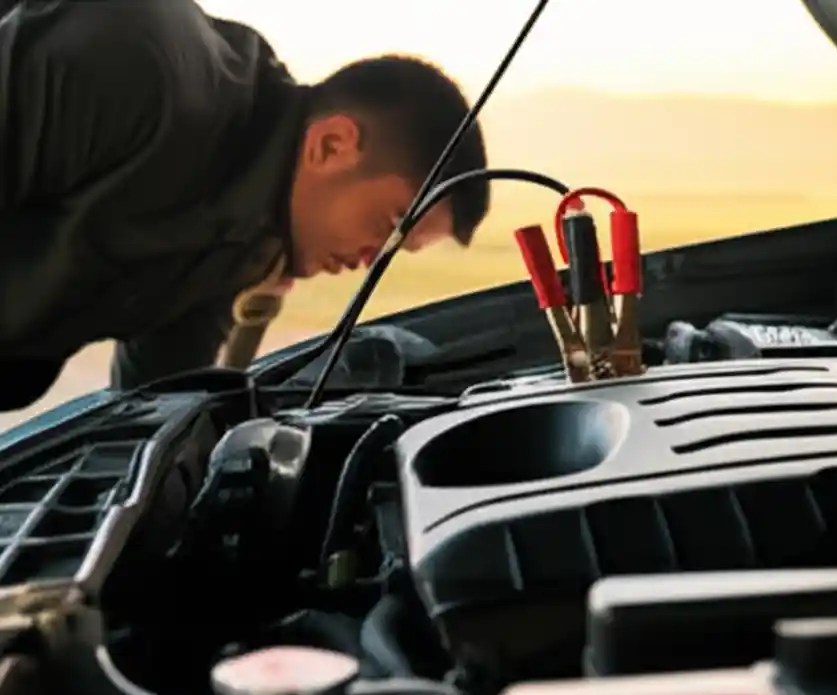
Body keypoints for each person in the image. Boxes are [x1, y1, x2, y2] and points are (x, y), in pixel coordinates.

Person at [0, 0, 490, 410]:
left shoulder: (240, 243)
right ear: (332, 145)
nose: (369, 259)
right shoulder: (144, 72)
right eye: (391, 224)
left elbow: (155, 401)